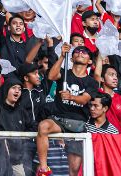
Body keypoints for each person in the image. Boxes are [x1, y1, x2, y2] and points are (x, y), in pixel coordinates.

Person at [35, 45, 97, 176]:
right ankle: (44, 169)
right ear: (72, 57)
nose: (80, 52)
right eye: (77, 51)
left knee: (74, 170)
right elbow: (51, 76)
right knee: (43, 126)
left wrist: (71, 97)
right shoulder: (63, 74)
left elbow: (84, 100)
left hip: (78, 124)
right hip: (59, 119)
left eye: (84, 52)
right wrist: (62, 55)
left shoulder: (92, 82)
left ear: (90, 61)